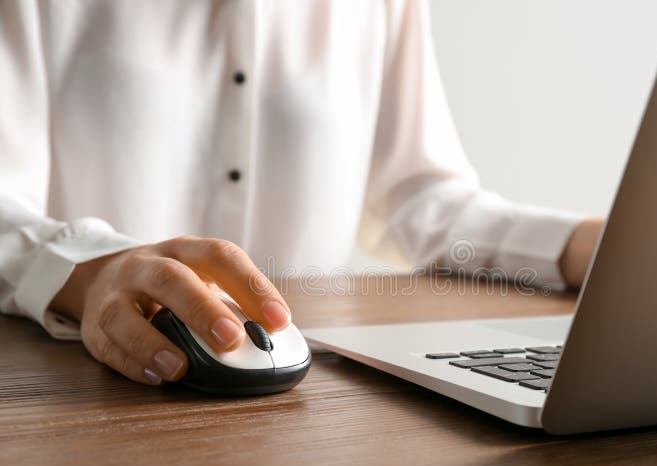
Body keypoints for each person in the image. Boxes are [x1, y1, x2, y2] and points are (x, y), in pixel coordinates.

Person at [0, 1, 602, 387]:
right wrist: (88, 270)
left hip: (310, 404)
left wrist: (597, 245)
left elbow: (424, 202)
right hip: (80, 391)